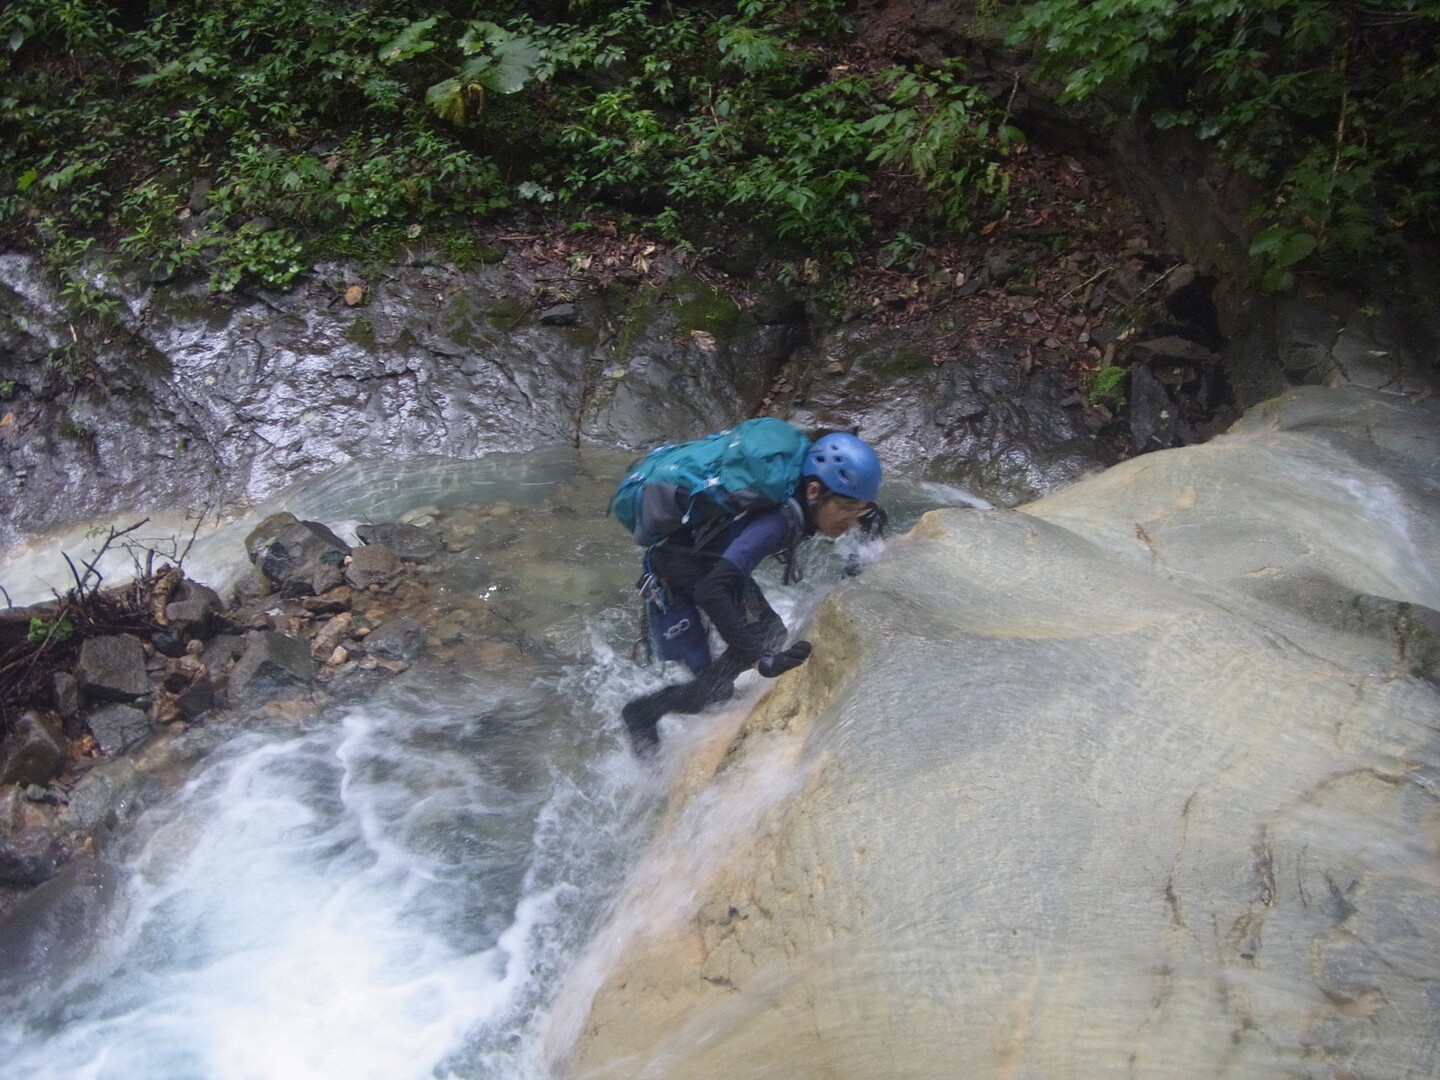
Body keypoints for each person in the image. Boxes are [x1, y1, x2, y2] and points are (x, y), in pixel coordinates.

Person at [621, 430, 884, 757]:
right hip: (677, 572)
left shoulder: (813, 497)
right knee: (712, 692)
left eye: (860, 510)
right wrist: (760, 659)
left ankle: (722, 691)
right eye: (847, 508)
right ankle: (641, 713)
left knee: (770, 632)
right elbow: (711, 590)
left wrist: (861, 564)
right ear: (814, 491)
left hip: (711, 561)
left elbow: (870, 513)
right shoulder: (777, 522)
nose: (852, 521)